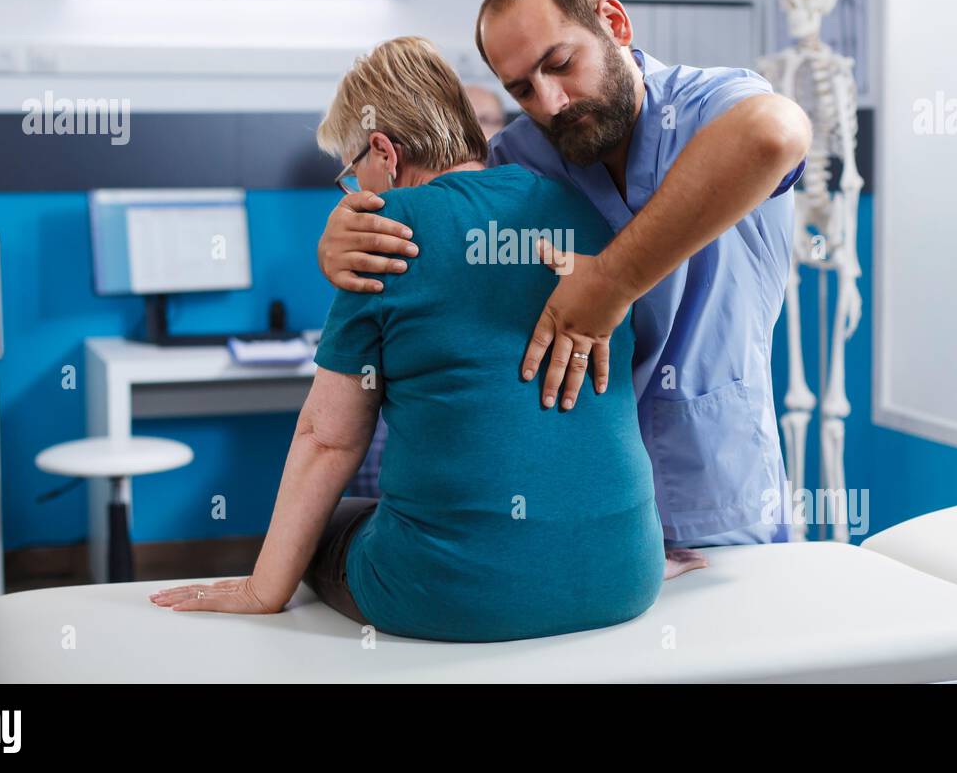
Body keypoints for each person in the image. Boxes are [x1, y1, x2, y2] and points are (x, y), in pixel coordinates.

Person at [151, 37, 665, 641]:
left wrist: (262, 589)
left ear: (384, 152)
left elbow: (327, 437)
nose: (351, 194)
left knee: (331, 522)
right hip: (627, 574)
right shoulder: (579, 210)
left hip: (455, 595)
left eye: (350, 174)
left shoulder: (388, 234)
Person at [316, 0, 812, 574]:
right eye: (521, 89)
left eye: (559, 64)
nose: (549, 103)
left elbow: (775, 133)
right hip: (592, 507)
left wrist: (611, 281)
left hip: (718, 498)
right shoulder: (525, 152)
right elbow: (450, 214)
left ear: (614, 22)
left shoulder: (705, 107)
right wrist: (345, 230)